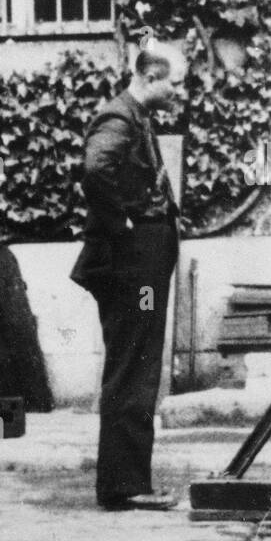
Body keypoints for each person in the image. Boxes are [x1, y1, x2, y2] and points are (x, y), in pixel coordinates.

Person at [70, 39, 186, 511]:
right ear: (151, 78)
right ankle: (125, 485)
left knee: (136, 365)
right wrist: (125, 226)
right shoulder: (119, 117)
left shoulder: (135, 117)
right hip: (132, 265)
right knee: (134, 368)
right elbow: (95, 170)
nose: (181, 92)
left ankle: (126, 482)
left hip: (142, 261)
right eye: (175, 83)